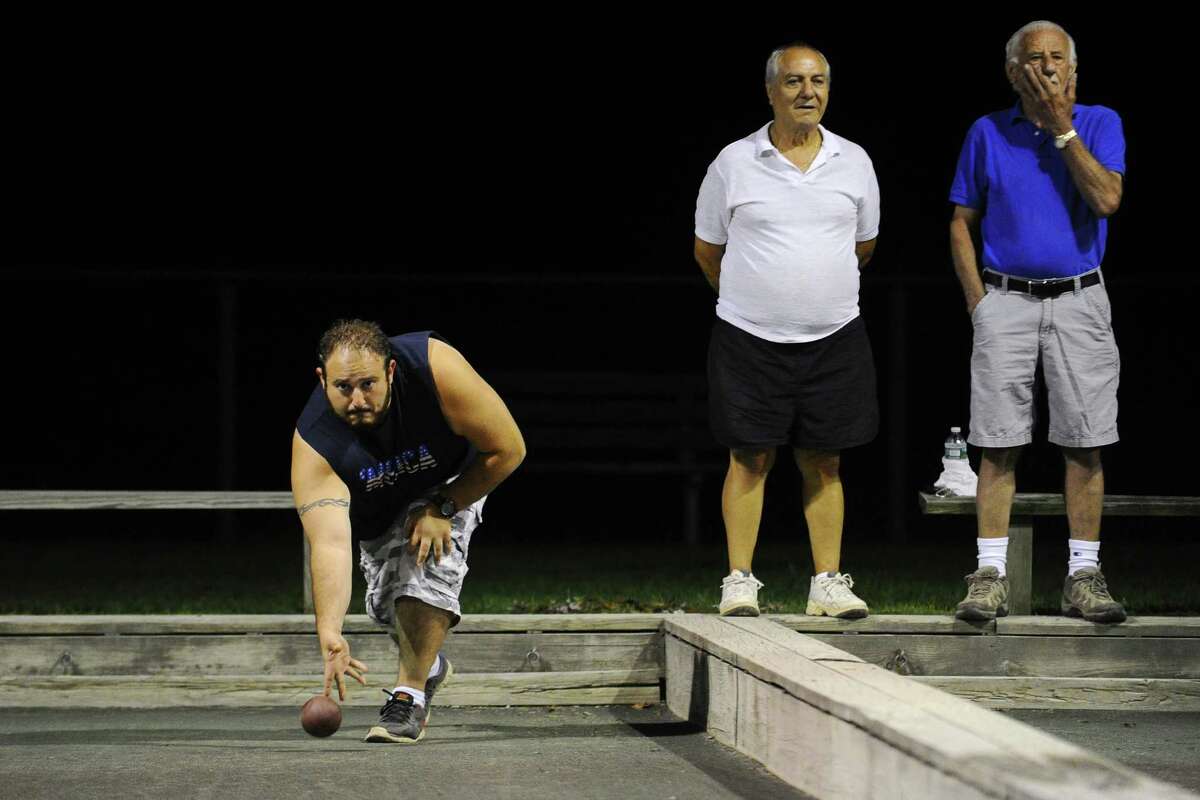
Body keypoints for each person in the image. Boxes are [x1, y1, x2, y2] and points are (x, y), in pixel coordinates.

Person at [694, 42, 880, 619]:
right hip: (749, 338)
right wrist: (757, 300)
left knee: (825, 462)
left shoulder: (854, 161)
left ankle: (827, 583)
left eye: (819, 81)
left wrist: (812, 296)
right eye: (796, 82)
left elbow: (864, 247)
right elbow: (708, 250)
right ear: (772, 90)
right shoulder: (734, 161)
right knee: (749, 459)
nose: (809, 93)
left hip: (834, 337)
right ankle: (740, 581)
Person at [949, 21, 1127, 623]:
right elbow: (960, 221)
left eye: (1057, 59)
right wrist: (980, 303)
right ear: (1011, 72)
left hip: (1080, 297)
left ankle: (1083, 575)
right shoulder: (986, 132)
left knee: (1085, 441)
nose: (1046, 68)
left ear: (1073, 70)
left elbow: (1106, 199)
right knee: (997, 443)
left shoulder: (1100, 123)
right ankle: (989, 575)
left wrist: (1062, 129)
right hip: (1006, 300)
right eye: (1033, 60)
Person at [291, 319, 525, 742]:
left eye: (369, 384)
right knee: (387, 606)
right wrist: (329, 630)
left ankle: (408, 699)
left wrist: (445, 506)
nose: (358, 400)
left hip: (451, 482)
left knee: (422, 578)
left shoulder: (434, 369)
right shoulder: (314, 443)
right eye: (344, 388)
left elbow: (509, 448)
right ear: (322, 379)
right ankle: (429, 668)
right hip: (377, 511)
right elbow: (329, 543)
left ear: (392, 372)